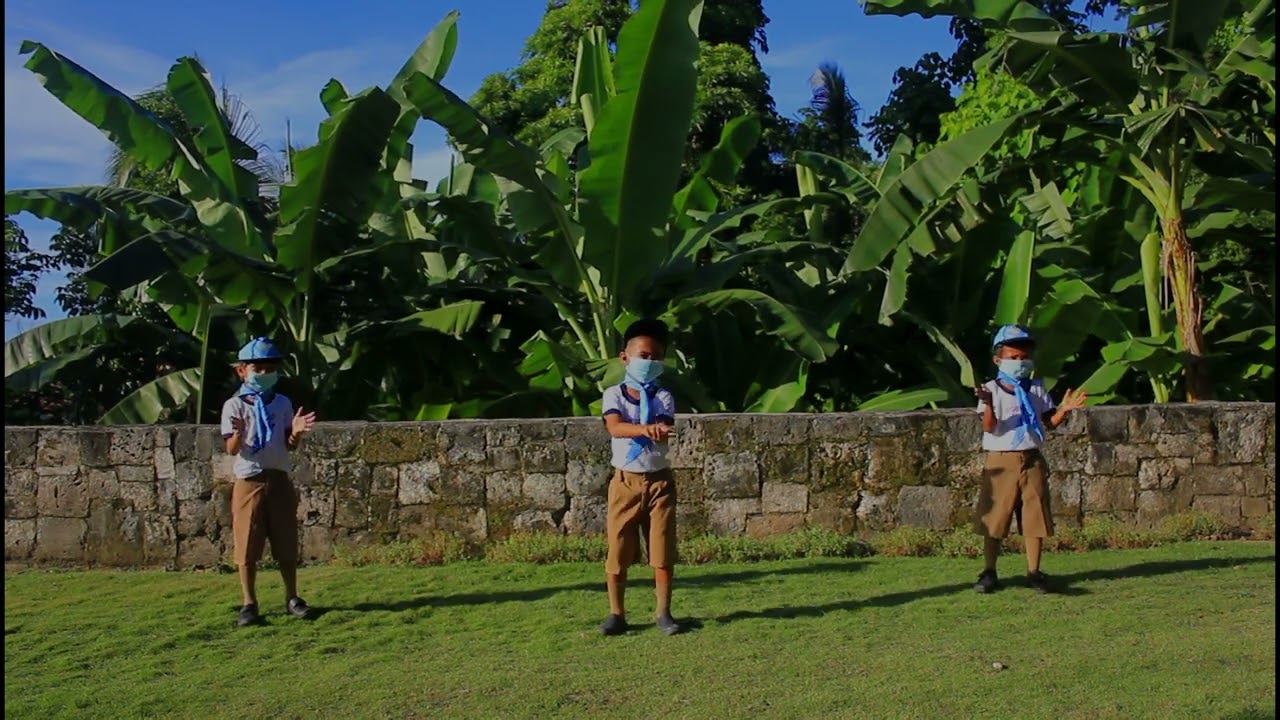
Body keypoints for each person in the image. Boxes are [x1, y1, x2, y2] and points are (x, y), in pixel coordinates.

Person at [973, 324, 1086, 594]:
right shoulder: (992, 389)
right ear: (998, 360)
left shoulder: (1036, 388)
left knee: (1035, 516)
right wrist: (988, 403)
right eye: (1014, 358)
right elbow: (989, 426)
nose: (1020, 362)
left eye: (1025, 357)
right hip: (1001, 460)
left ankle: (1034, 571)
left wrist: (1065, 409)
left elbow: (1049, 421)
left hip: (1031, 457)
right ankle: (989, 571)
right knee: (995, 519)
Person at [220, 337, 317, 627]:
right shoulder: (234, 406)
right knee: (247, 544)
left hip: (279, 478)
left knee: (286, 540)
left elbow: (288, 445)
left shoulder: (283, 403)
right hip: (249, 479)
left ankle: (293, 597)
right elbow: (232, 448)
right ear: (242, 371)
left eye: (270, 368)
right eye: (257, 368)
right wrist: (238, 433)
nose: (264, 374)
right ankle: (249, 602)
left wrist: (297, 432)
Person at [598, 319, 681, 636]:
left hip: (659, 481)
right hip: (625, 482)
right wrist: (645, 429)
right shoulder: (613, 395)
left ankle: (663, 612)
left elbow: (664, 430)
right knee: (618, 548)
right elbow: (614, 427)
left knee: (661, 551)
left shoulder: (663, 397)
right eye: (643, 355)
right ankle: (616, 613)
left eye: (656, 357)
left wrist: (657, 431)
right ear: (625, 357)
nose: (649, 362)